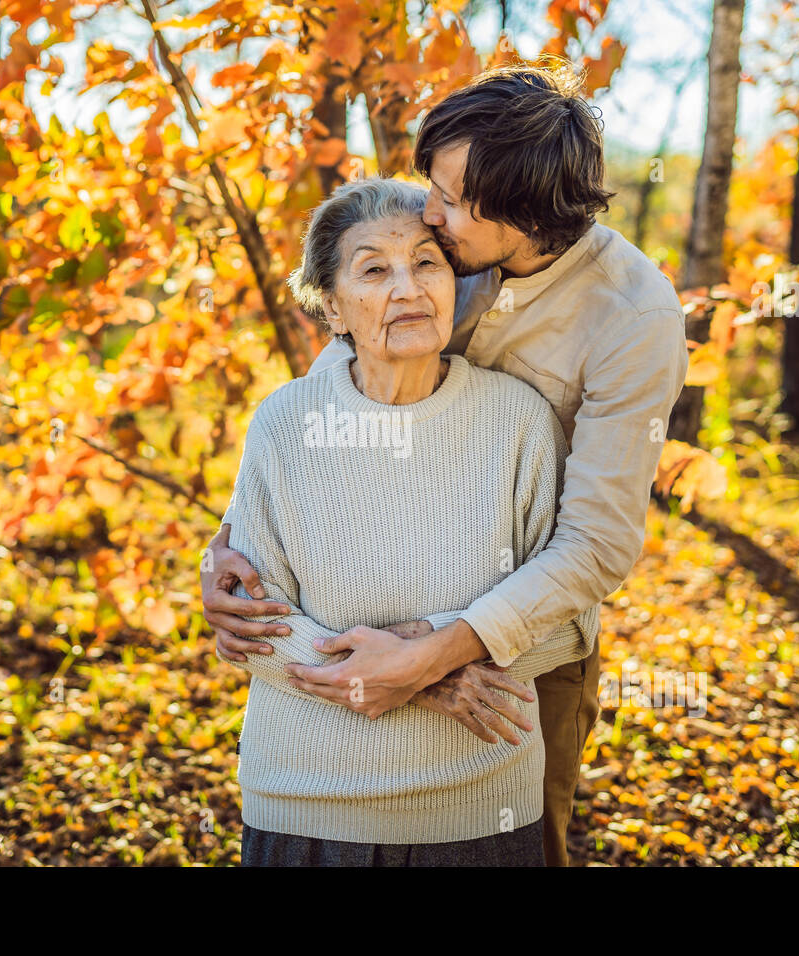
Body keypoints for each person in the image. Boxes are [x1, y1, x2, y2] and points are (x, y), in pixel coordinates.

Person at [203, 65, 690, 866]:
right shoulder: (441, 244)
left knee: (525, 838)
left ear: (524, 216)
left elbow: (595, 546)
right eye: (434, 184)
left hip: (525, 634)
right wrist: (229, 547)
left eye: (451, 203)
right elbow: (346, 370)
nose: (429, 214)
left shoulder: (631, 317)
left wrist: (434, 657)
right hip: (352, 610)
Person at [218, 176, 594, 866]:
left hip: (479, 808)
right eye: (374, 270)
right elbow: (254, 624)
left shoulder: (519, 422)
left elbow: (572, 620)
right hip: (306, 803)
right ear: (333, 308)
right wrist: (423, 676)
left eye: (427, 262)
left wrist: (421, 661)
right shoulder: (285, 423)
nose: (408, 289)